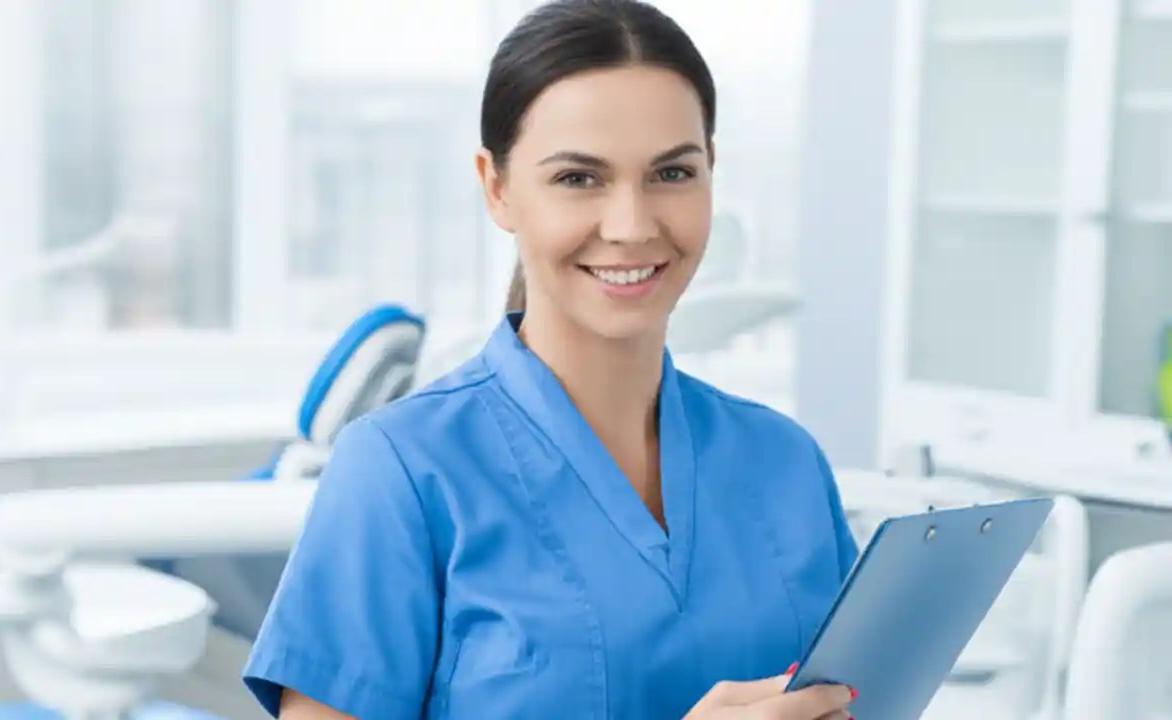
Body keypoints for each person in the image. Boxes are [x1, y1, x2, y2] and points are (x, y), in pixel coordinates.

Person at [243, 1, 859, 718]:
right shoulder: (399, 472)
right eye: (578, 179)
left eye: (671, 174)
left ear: (710, 173)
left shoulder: (785, 463)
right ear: (497, 187)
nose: (631, 226)